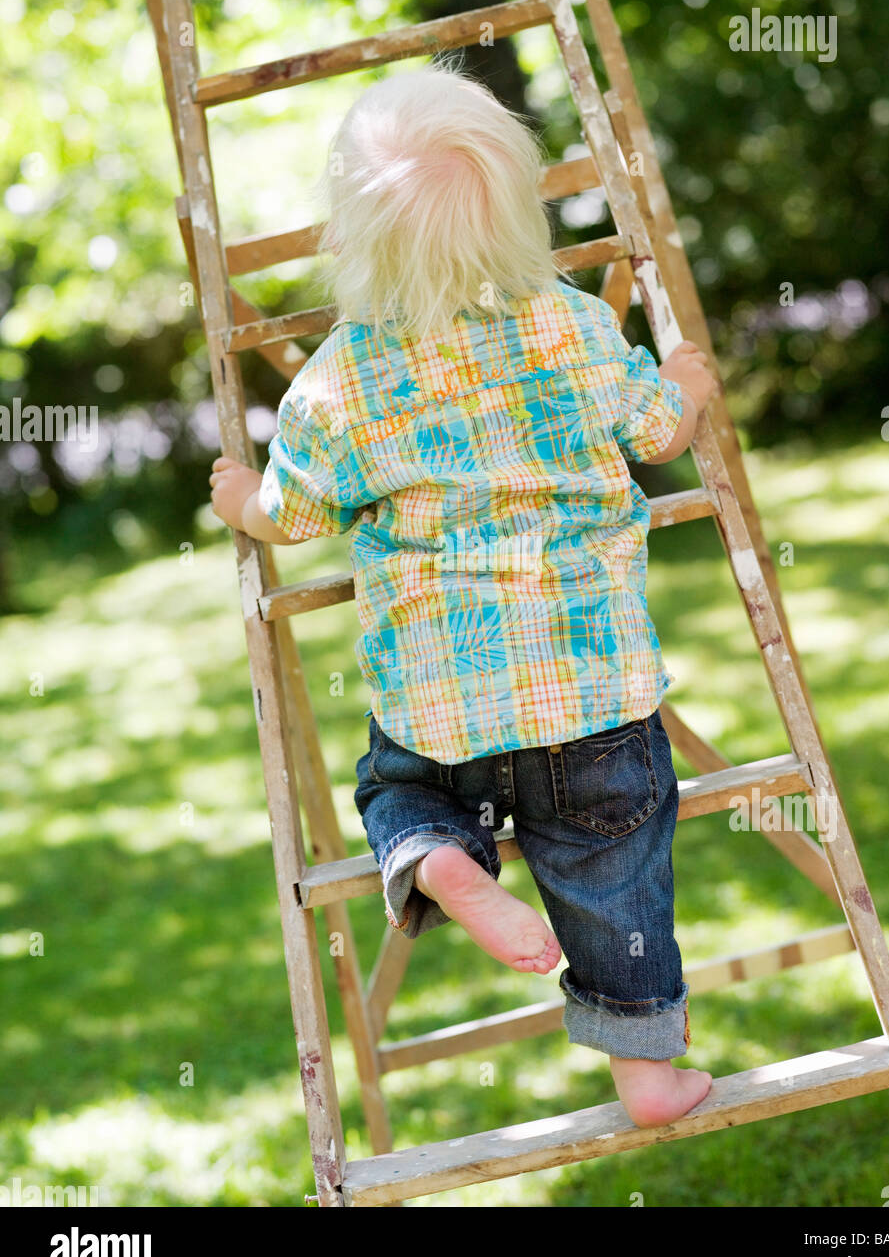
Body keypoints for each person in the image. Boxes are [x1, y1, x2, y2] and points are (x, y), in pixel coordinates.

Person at [210, 58, 719, 1127]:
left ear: (351, 237)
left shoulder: (342, 380)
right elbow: (658, 432)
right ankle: (646, 1071)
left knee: (399, 791)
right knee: (617, 868)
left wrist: (243, 495)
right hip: (594, 704)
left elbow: (294, 516)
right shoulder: (568, 328)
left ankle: (439, 853)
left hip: (440, 713)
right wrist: (690, 384)